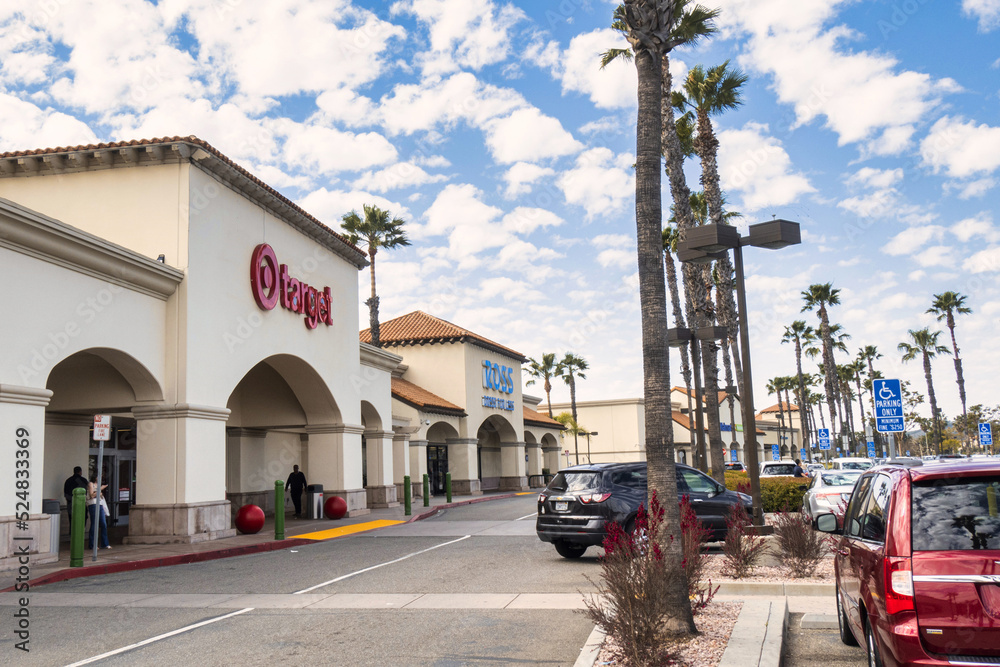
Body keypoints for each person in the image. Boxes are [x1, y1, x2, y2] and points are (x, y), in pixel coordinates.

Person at [86, 475, 111, 549]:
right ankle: (92, 544)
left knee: (103, 523)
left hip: (100, 504)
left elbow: (98, 495)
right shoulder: (91, 484)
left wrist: (99, 491)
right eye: (98, 476)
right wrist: (100, 489)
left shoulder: (98, 485)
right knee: (94, 523)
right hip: (93, 504)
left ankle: (105, 543)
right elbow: (91, 495)